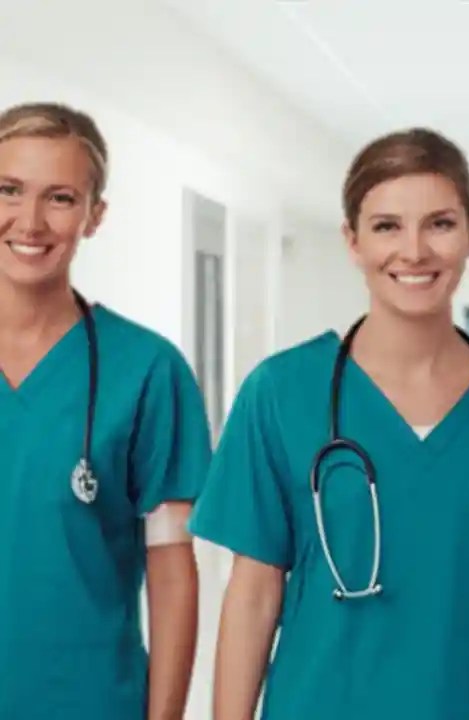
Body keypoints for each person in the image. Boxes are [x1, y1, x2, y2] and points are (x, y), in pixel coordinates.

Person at [189, 127, 469, 719]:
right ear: (352, 241)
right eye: (387, 226)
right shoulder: (280, 393)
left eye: (440, 223)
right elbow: (252, 593)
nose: (414, 251)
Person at [0, 102, 211, 718]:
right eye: (9, 190)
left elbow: (171, 569)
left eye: (60, 198)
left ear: (94, 215)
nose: (30, 221)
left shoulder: (146, 370)